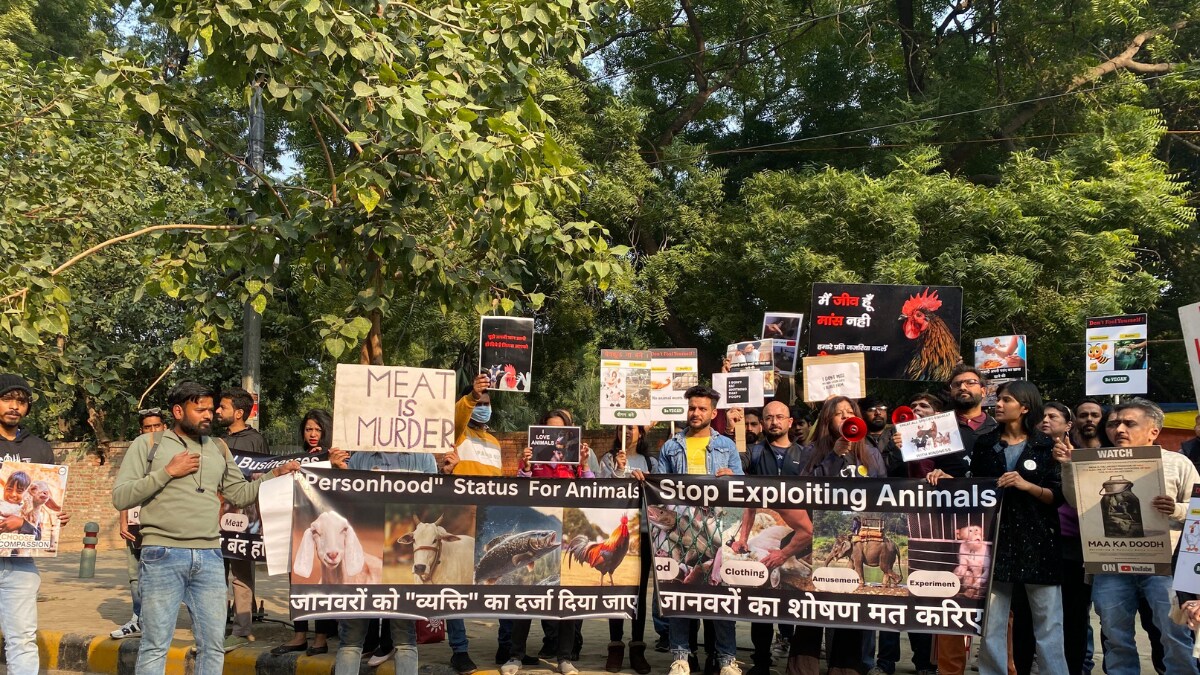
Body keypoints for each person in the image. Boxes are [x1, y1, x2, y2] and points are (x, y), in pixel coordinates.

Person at [112, 381, 299, 675]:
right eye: (200, 409)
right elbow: (121, 496)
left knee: (213, 645)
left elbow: (239, 494)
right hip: (162, 555)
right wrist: (167, 472)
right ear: (177, 410)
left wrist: (275, 474)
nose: (208, 415)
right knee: (155, 644)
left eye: (211, 409)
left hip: (211, 555)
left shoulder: (219, 447)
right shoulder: (149, 444)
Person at [928, 380, 1067, 675]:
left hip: (1038, 542)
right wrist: (949, 480)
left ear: (1025, 407)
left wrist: (1026, 485)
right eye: (998, 399)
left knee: (1048, 622)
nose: (998, 405)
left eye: (1006, 400)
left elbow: (1057, 497)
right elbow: (976, 488)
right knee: (991, 620)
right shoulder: (986, 443)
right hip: (993, 543)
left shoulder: (1046, 447)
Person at [1059, 398, 1200, 675]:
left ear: (1153, 431)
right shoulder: (1094, 462)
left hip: (1165, 567)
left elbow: (1198, 510)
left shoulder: (1177, 463)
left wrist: (1178, 509)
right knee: (1115, 637)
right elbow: (1076, 503)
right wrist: (1066, 466)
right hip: (1111, 566)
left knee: (1175, 636)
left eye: (1129, 423)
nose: (1119, 429)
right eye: (1113, 423)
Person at [633, 385, 743, 675]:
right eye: (692, 407)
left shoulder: (727, 446)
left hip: (716, 527)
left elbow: (743, 483)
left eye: (702, 408)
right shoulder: (671, 446)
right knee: (679, 590)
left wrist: (733, 476)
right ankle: (680, 655)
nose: (695, 413)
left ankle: (727, 659)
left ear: (713, 412)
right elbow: (660, 486)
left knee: (721, 591)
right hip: (680, 531)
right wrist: (644, 477)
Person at [787, 396, 879, 675]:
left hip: (857, 535)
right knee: (811, 612)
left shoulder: (870, 453)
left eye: (850, 412)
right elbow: (801, 490)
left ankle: (845, 670)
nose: (845, 417)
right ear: (828, 421)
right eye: (839, 414)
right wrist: (833, 457)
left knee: (850, 611)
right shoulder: (811, 451)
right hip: (818, 538)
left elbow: (887, 493)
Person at [326, 441, 435, 675]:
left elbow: (435, 501)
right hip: (364, 555)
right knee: (351, 640)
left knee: (405, 639)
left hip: (401, 559)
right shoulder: (360, 458)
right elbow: (346, 500)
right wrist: (339, 472)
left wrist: (447, 475)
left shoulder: (424, 458)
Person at [503, 409, 590, 675]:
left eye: (560, 433)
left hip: (564, 536)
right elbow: (520, 491)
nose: (554, 439)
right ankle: (514, 656)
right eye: (549, 431)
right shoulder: (533, 461)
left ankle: (564, 658)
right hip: (536, 535)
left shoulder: (575, 462)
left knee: (565, 598)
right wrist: (526, 468)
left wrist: (583, 467)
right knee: (526, 594)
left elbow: (593, 493)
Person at [0, 374, 67, 675]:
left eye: (21, 401)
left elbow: (48, 506)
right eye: (7, 399)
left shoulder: (40, 449)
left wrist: (58, 516)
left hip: (20, 562)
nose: (14, 407)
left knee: (23, 638)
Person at [737, 400, 808, 675]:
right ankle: (761, 661)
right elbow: (747, 501)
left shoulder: (806, 455)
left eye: (780, 417)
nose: (774, 422)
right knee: (762, 598)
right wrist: (743, 536)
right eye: (769, 417)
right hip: (772, 531)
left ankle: (794, 654)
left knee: (796, 597)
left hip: (799, 533)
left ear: (790, 422)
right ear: (763, 422)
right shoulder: (753, 454)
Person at [437, 372, 500, 675]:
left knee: (501, 579)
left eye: (487, 402)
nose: (483, 406)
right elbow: (456, 417)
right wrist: (472, 395)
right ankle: (459, 649)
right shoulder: (457, 435)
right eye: (479, 402)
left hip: (490, 520)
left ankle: (506, 644)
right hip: (462, 519)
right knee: (456, 583)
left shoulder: (495, 443)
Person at [271, 409, 337, 655]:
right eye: (309, 429)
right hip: (297, 526)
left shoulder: (335, 456)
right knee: (297, 579)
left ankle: (321, 639)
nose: (313, 434)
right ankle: (299, 635)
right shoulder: (295, 458)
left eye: (318, 430)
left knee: (320, 582)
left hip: (324, 530)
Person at [214, 386, 266, 651]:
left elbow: (261, 480)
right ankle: (214, 624)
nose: (216, 411)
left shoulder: (254, 441)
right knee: (213, 572)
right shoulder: (215, 441)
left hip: (243, 519)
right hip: (214, 517)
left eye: (222, 407)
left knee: (241, 573)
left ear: (238, 412)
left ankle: (242, 628)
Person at [600, 425, 654, 674]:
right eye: (624, 428)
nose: (629, 432)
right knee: (617, 588)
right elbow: (601, 492)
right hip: (619, 535)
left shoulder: (650, 461)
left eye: (634, 428)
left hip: (643, 534)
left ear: (641, 433)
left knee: (639, 591)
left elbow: (661, 492)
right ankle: (615, 645)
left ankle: (637, 646)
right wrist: (619, 471)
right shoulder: (608, 460)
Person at [111, 408, 168, 640]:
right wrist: (123, 520)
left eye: (157, 426)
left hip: (162, 525)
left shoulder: (173, 452)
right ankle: (138, 619)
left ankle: (159, 622)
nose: (152, 431)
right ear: (140, 430)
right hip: (136, 522)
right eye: (147, 427)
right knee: (135, 574)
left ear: (165, 426)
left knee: (165, 574)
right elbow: (125, 487)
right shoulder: (136, 451)